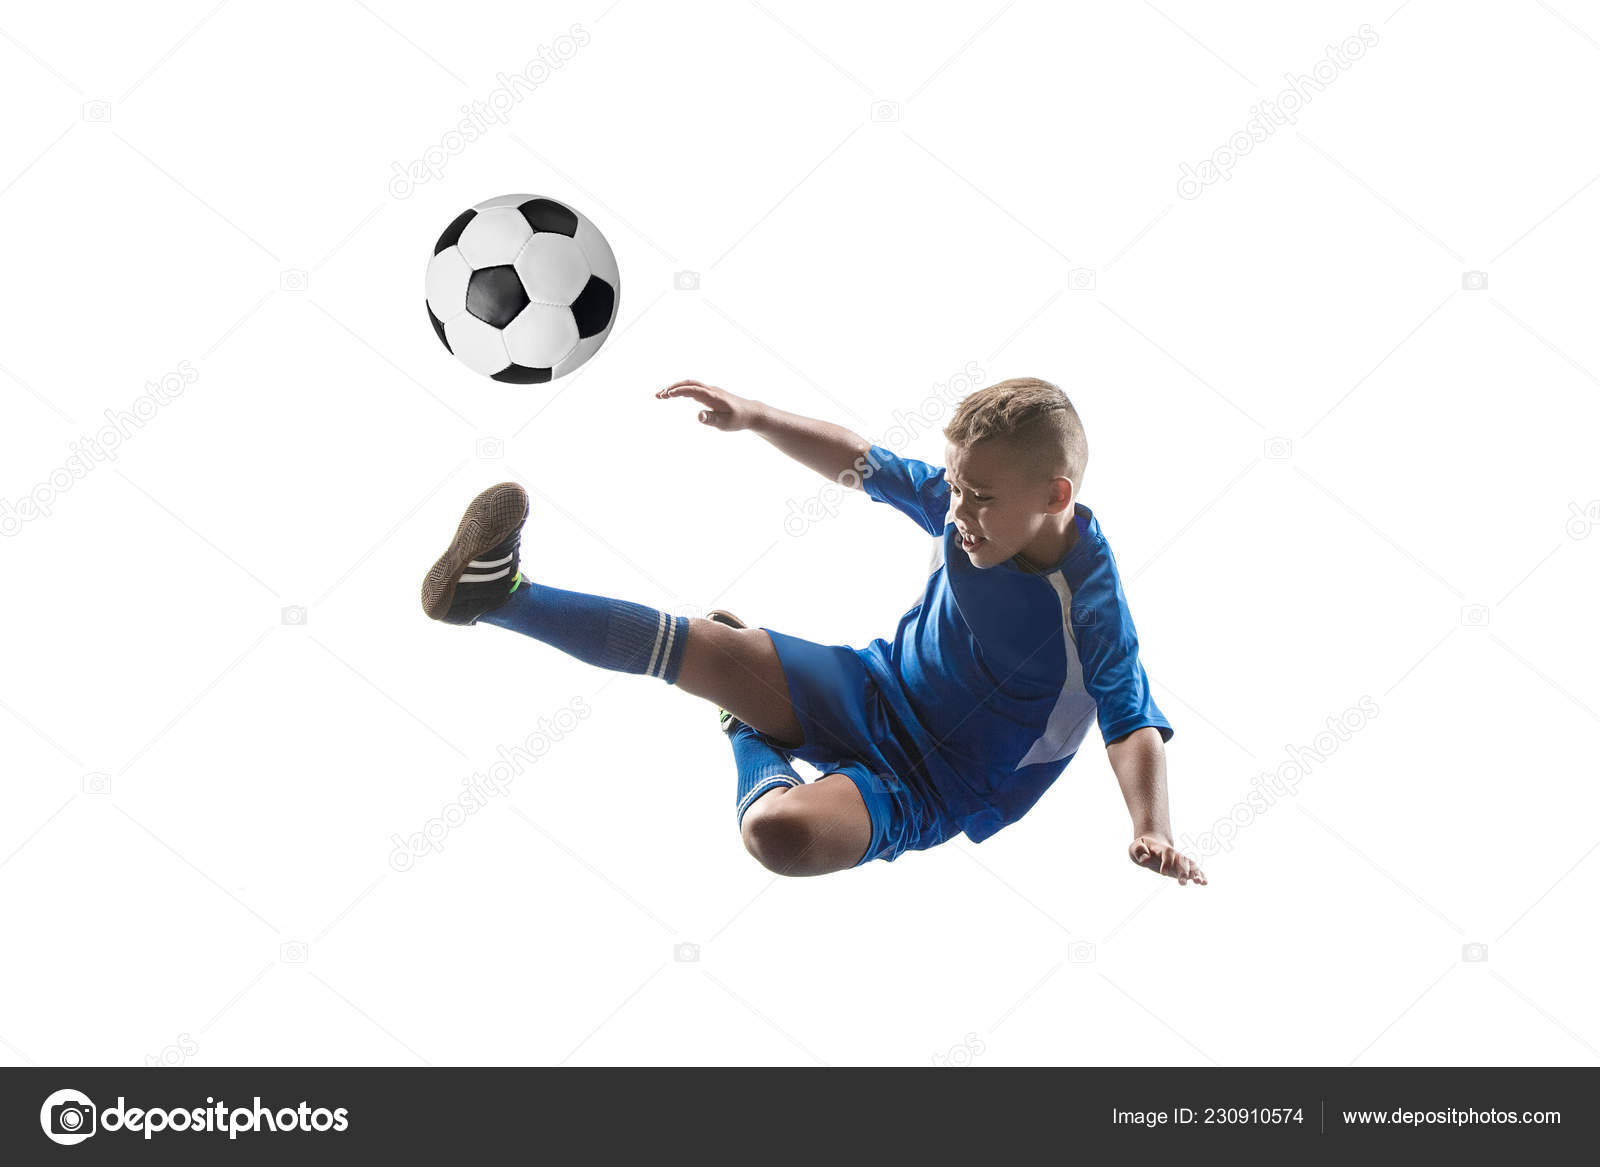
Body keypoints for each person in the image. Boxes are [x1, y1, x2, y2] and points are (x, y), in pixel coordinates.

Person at [420, 375, 1205, 885]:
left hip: (933, 782)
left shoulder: (1092, 603)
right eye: (956, 487)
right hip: (867, 687)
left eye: (980, 497)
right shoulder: (969, 504)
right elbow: (865, 463)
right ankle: (496, 594)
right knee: (699, 643)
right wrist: (755, 415)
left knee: (777, 835)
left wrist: (1152, 829)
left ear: (1055, 492)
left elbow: (1131, 720)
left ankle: (744, 727)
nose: (957, 512)